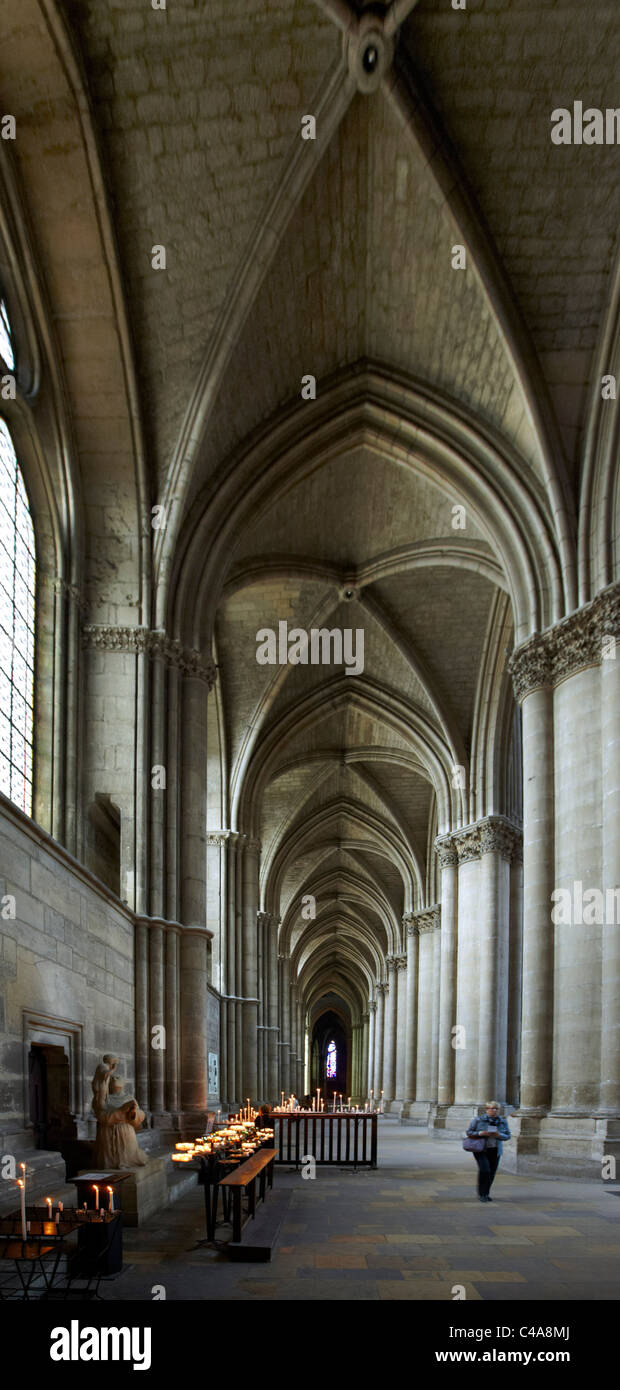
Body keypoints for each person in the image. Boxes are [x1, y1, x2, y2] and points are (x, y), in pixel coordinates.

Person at [466, 1101, 510, 1202]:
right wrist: (481, 1133)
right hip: (481, 1149)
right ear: (486, 1109)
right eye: (491, 1108)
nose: (494, 1110)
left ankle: (486, 1193)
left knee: (491, 1173)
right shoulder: (478, 1120)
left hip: (495, 1150)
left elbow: (508, 1135)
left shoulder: (502, 1121)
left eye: (496, 1109)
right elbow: (469, 1132)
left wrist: (499, 1135)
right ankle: (482, 1193)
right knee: (485, 1170)